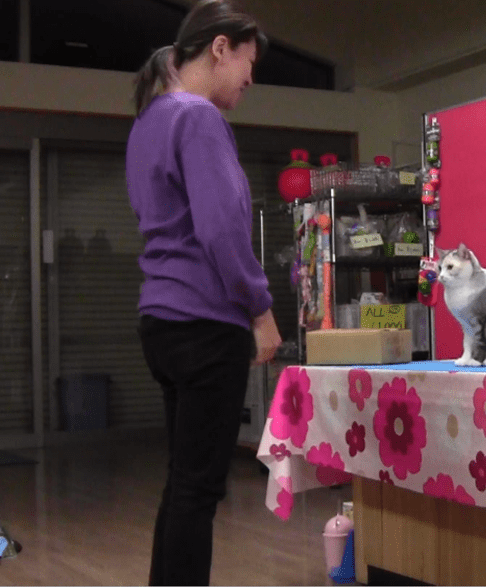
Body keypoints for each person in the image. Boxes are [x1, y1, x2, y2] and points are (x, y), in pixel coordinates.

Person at [125, 1, 280, 584]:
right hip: (205, 325)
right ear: (219, 48)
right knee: (198, 491)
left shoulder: (149, 121)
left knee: (183, 485)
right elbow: (221, 230)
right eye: (248, 62)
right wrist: (260, 309)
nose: (250, 78)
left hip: (162, 322)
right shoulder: (199, 118)